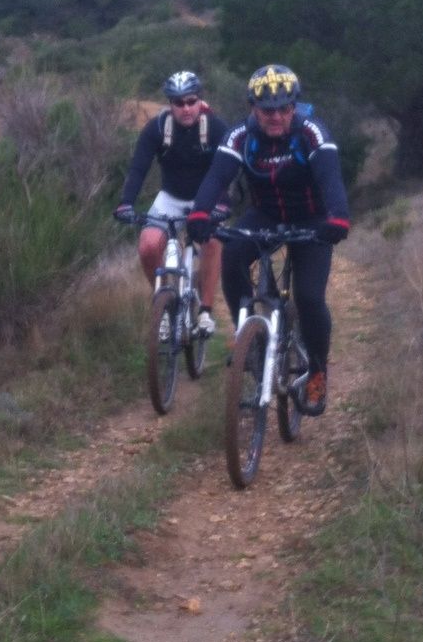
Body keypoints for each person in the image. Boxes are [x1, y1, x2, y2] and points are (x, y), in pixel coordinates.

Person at [186, 64, 350, 415]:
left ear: (294, 107)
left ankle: (317, 370)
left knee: (308, 296)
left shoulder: (311, 133)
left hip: (312, 219)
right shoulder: (240, 137)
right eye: (266, 110)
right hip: (266, 214)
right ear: (252, 109)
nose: (275, 117)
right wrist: (199, 214)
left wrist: (336, 218)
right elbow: (216, 178)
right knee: (231, 257)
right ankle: (248, 335)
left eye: (283, 109)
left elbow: (331, 179)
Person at [113, 71, 227, 333]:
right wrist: (126, 203)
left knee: (212, 242)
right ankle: (164, 301)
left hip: (206, 198)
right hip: (170, 197)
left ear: (200, 100)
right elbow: (138, 168)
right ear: (170, 104)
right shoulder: (156, 128)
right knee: (148, 245)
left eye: (191, 101)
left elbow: (226, 170)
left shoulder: (215, 128)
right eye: (179, 103)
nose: (186, 108)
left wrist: (221, 204)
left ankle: (206, 312)